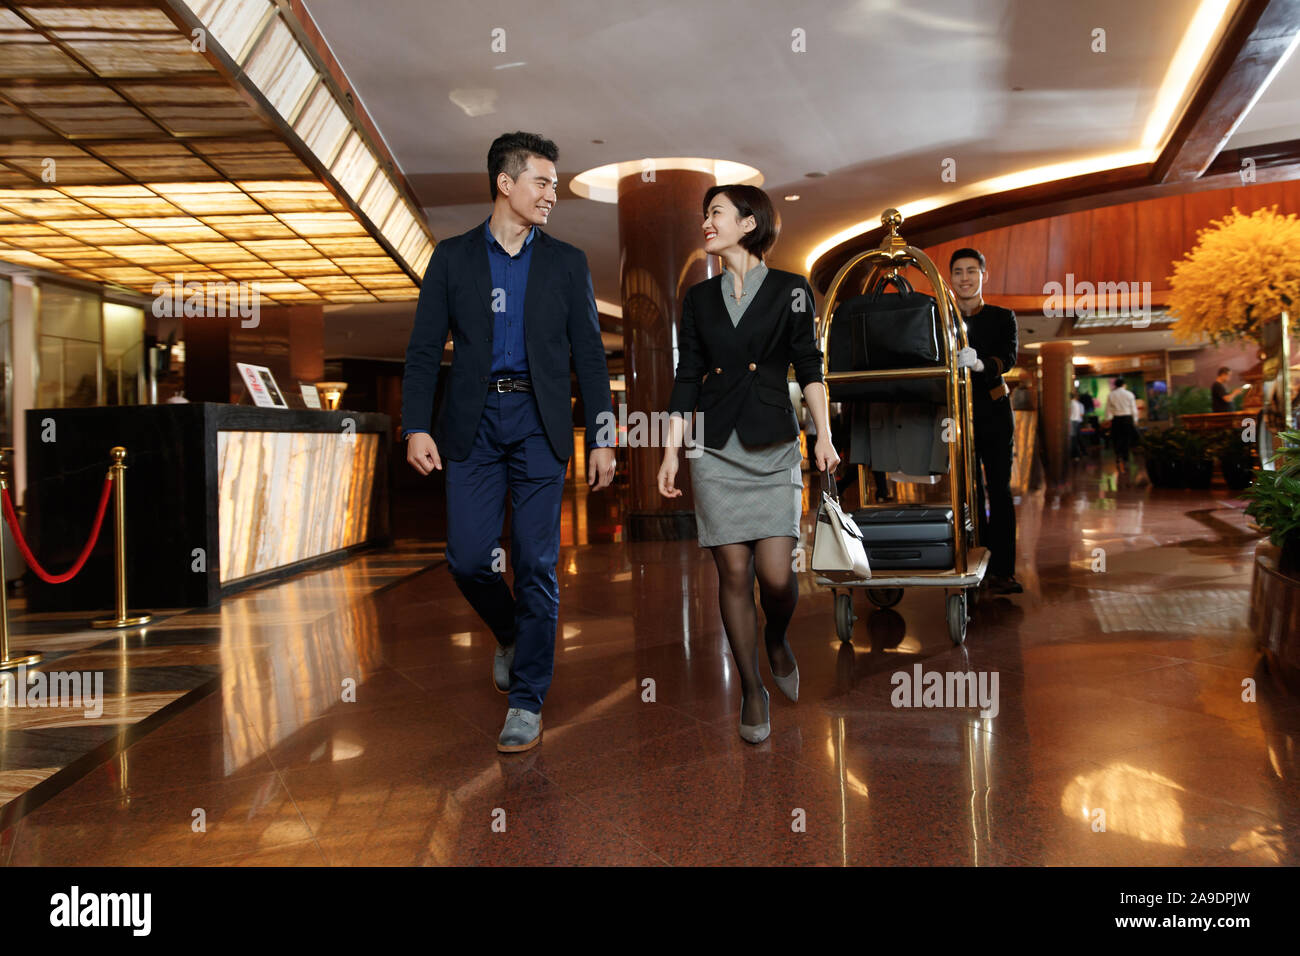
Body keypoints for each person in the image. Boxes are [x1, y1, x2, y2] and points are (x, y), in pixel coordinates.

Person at [401, 131, 615, 754]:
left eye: (553, 184)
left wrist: (602, 435)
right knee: (468, 558)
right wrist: (416, 424)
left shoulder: (567, 262)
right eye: (543, 182)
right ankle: (509, 630)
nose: (553, 193)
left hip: (540, 422)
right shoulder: (453, 258)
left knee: (537, 562)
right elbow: (422, 352)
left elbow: (589, 359)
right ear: (505, 183)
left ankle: (526, 699)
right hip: (472, 422)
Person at [657, 184, 839, 744]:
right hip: (714, 450)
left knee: (777, 577)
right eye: (705, 214)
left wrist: (824, 438)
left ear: (748, 222)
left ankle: (778, 638)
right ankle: (752, 689)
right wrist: (670, 449)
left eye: (714, 214)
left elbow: (808, 366)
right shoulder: (700, 299)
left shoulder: (791, 289)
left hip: (773, 445)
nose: (706, 223)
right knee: (733, 572)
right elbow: (688, 377)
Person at [949, 248, 1023, 595]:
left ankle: (1003, 570)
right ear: (951, 278)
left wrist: (981, 365)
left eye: (971, 271)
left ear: (983, 275)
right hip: (958, 415)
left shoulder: (1002, 316)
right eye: (958, 272)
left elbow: (1008, 357)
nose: (965, 278)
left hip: (993, 411)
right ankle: (973, 563)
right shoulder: (943, 320)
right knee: (967, 491)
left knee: (999, 490)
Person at [1104, 376, 1140, 470]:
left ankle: (1118, 456)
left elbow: (1108, 409)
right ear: (1124, 385)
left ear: (1115, 385)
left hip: (1116, 419)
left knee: (1117, 439)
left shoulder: (1111, 395)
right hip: (1127, 419)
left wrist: (1107, 419)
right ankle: (1126, 458)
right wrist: (1135, 420)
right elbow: (1133, 408)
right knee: (1126, 439)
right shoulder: (1129, 394)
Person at [1070, 392, 1085, 460]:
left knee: (1074, 439)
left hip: (1073, 422)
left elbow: (1070, 414)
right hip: (1076, 422)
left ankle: (1075, 455)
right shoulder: (1076, 404)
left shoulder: (1072, 403)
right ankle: (1078, 454)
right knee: (1076, 438)